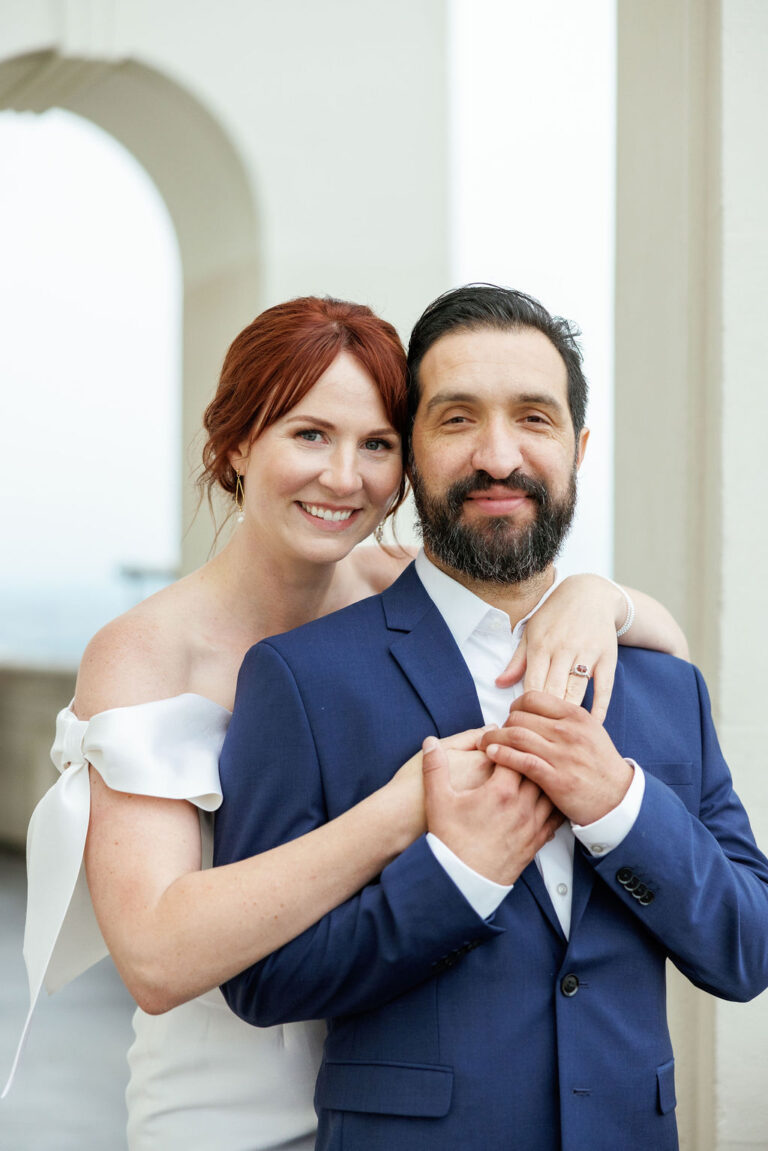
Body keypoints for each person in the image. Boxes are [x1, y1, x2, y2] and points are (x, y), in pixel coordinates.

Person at [5, 296, 687, 1151]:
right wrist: (401, 811)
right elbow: (152, 958)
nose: (344, 477)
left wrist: (598, 597)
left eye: (376, 445)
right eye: (308, 434)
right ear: (238, 441)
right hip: (229, 1106)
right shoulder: (146, 651)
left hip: (384, 1079)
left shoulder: (386, 585)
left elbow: (669, 647)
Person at [214, 286, 768, 1151]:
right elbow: (260, 979)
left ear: (580, 448)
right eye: (458, 418)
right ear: (411, 454)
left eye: (535, 419)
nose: (498, 455)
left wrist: (621, 805)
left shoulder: (666, 686)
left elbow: (747, 947)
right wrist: (458, 877)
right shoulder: (301, 677)